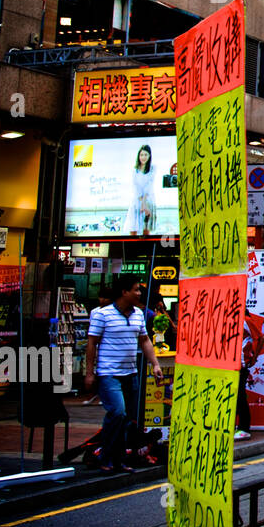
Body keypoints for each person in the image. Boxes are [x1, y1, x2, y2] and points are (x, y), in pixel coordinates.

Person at [84, 274, 163, 473]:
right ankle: (105, 456)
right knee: (117, 412)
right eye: (136, 289)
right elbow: (91, 343)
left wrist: (155, 364)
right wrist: (89, 373)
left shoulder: (138, 314)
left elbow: (145, 340)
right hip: (108, 373)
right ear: (124, 292)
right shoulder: (103, 314)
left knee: (127, 418)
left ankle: (118, 459)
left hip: (131, 373)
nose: (139, 293)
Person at [123, 144, 157, 235]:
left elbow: (149, 185)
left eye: (146, 155)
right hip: (137, 201)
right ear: (138, 156)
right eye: (141, 155)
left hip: (148, 200)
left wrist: (144, 203)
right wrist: (141, 202)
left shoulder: (153, 168)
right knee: (133, 228)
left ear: (149, 156)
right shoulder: (135, 170)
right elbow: (135, 186)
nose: (143, 157)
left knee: (146, 228)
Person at [235, 318, 253, 441]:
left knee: (240, 395)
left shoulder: (246, 320)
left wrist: (253, 358)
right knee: (234, 396)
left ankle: (244, 428)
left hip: (241, 364)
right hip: (229, 364)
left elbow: (260, 338)